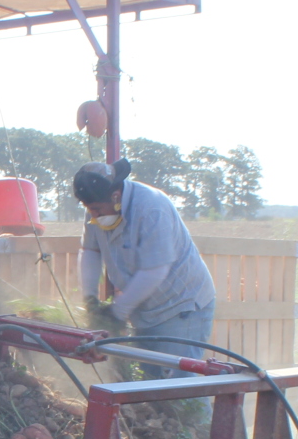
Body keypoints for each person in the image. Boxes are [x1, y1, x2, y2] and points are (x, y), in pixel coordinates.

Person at [75, 158, 216, 372]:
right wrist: (90, 300)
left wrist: (116, 313)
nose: (93, 215)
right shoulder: (95, 206)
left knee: (180, 392)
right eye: (88, 209)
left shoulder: (151, 208)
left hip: (181, 307)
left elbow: (154, 270)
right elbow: (90, 252)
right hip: (144, 311)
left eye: (96, 209)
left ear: (115, 196)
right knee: (150, 388)